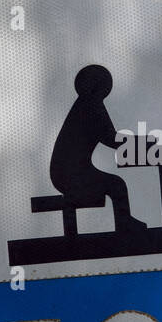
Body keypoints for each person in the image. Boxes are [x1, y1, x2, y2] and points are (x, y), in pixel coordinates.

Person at [48, 64, 146, 232]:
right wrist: (143, 143)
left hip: (67, 171)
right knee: (116, 184)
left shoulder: (85, 105)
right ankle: (124, 223)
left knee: (115, 184)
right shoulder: (90, 106)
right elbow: (110, 138)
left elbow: (111, 137)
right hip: (69, 174)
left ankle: (125, 222)